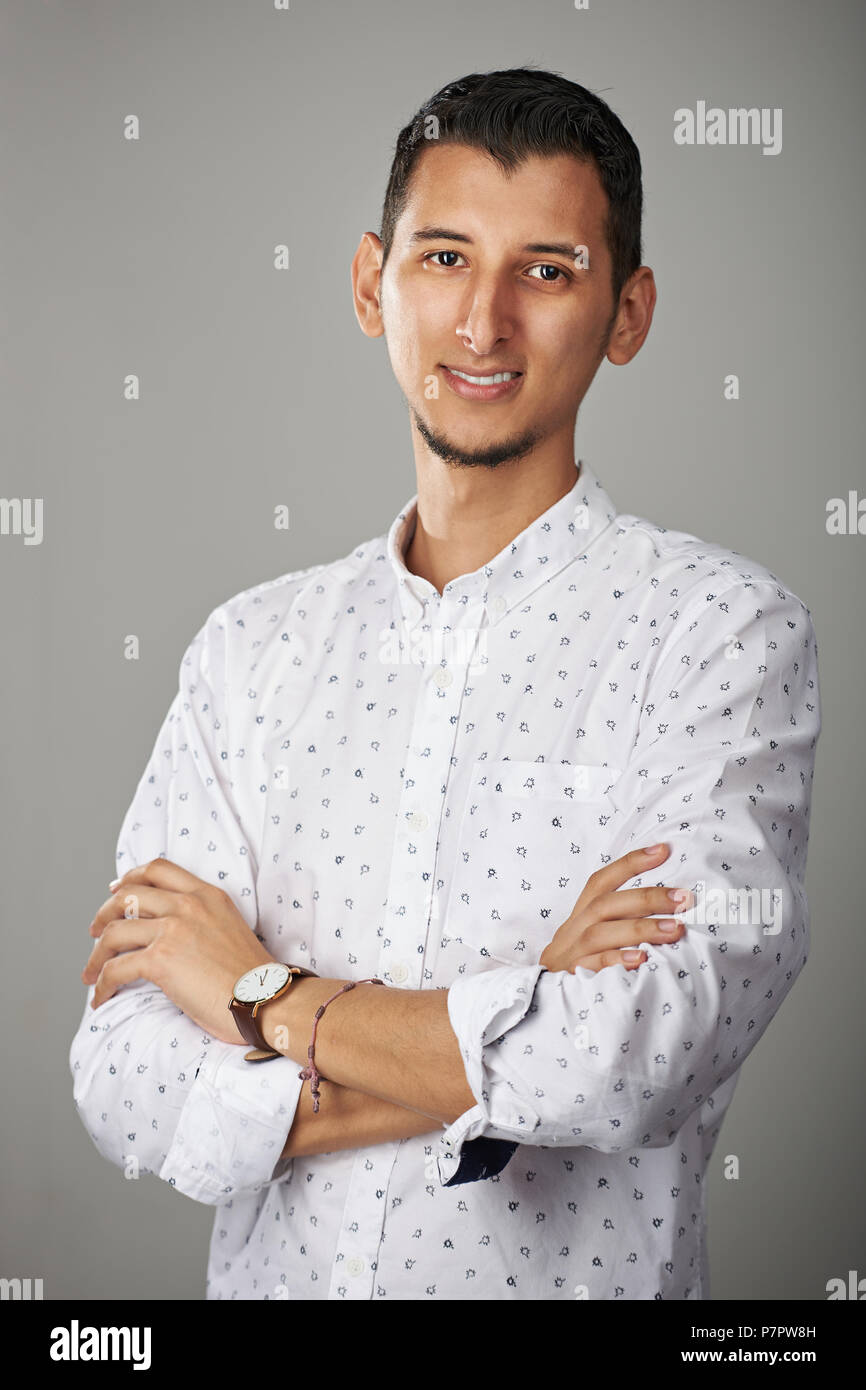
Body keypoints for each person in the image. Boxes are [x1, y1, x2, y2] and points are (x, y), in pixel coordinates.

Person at [69, 66, 821, 1300]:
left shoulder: (719, 634)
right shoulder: (248, 653)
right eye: (442, 259)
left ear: (626, 314)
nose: (482, 323)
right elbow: (122, 1082)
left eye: (545, 269)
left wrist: (255, 994)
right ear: (372, 283)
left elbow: (636, 1057)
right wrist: (519, 1015)